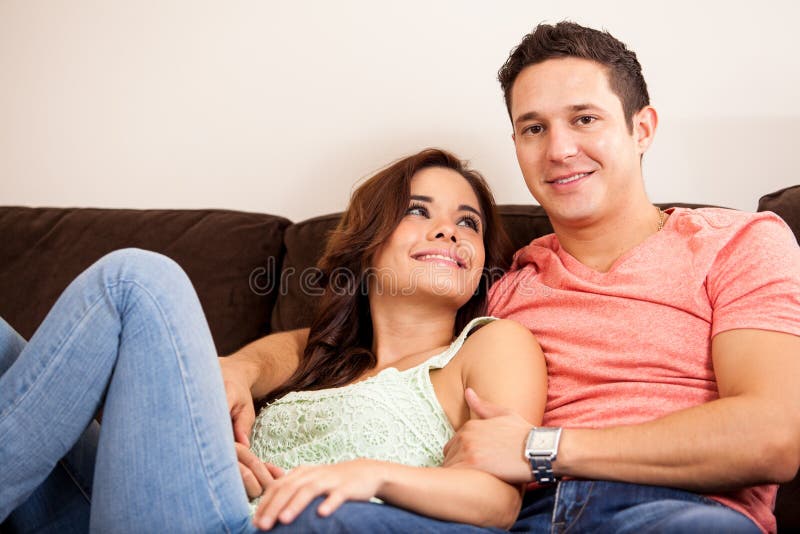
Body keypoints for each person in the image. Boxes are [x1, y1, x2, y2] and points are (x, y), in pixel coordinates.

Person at [222, 22, 800, 533]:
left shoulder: (739, 243)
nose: (560, 149)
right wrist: (240, 370)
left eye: (584, 119)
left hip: (671, 510)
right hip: (514, 519)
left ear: (642, 128)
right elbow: (354, 342)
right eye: (533, 129)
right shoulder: (499, 282)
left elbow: (773, 435)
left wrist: (541, 448)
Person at [0, 148, 547, 533]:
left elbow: (496, 502)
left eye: (468, 223)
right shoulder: (323, 355)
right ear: (366, 248)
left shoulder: (493, 345)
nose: (450, 231)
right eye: (417, 211)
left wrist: (370, 473)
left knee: (137, 280)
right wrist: (226, 443)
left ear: (482, 264)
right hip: (189, 509)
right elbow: (284, 351)